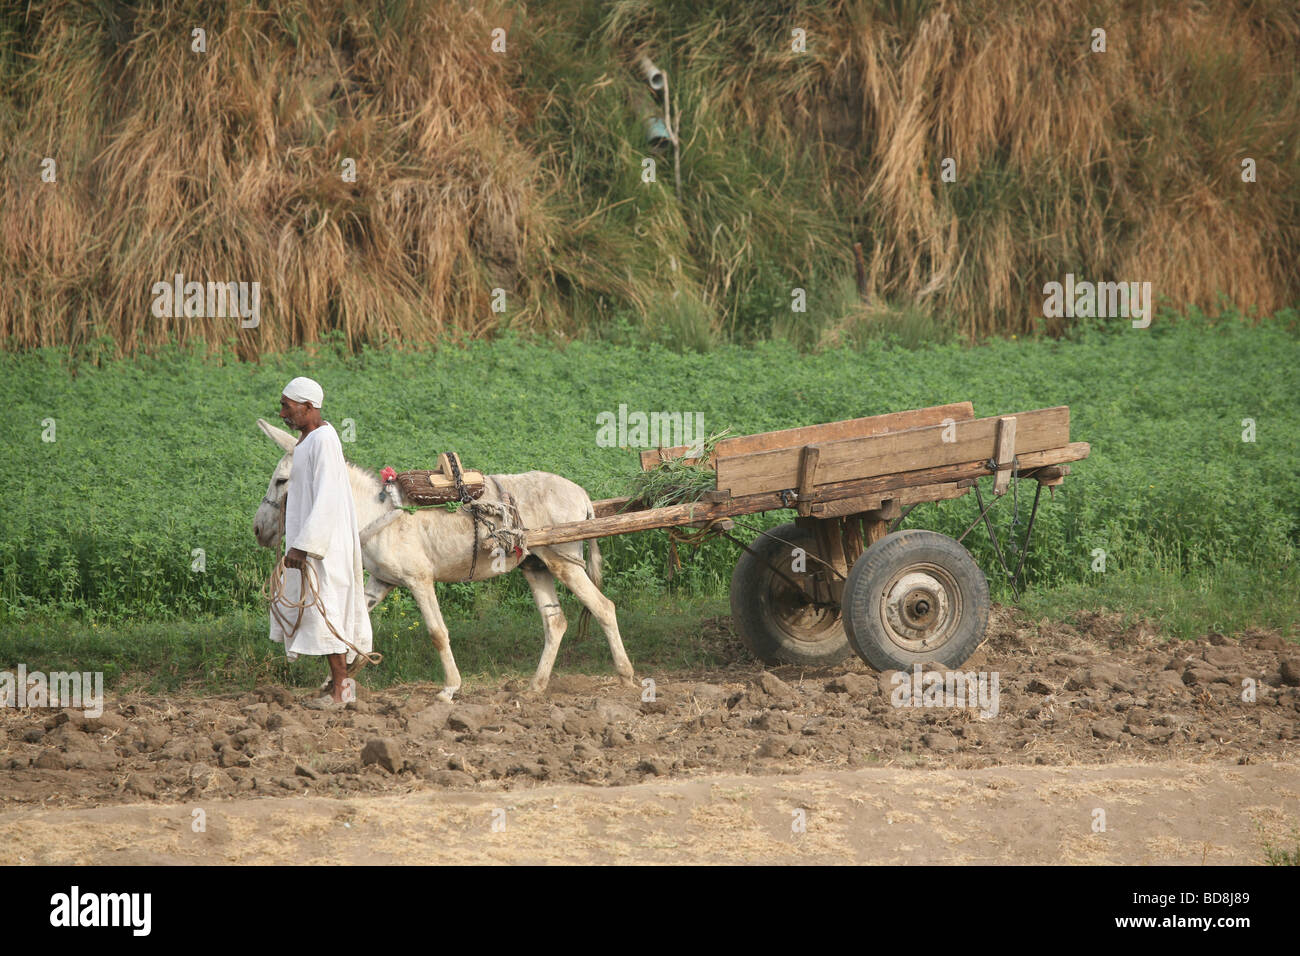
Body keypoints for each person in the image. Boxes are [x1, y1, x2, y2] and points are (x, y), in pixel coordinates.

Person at [268, 376, 373, 703]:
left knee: (328, 609)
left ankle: (342, 693)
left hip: (324, 547)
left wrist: (303, 545)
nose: (282, 412)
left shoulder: (324, 439)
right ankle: (340, 689)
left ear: (308, 407)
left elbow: (327, 498)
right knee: (320, 609)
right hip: (315, 544)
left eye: (287, 406)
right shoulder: (307, 441)